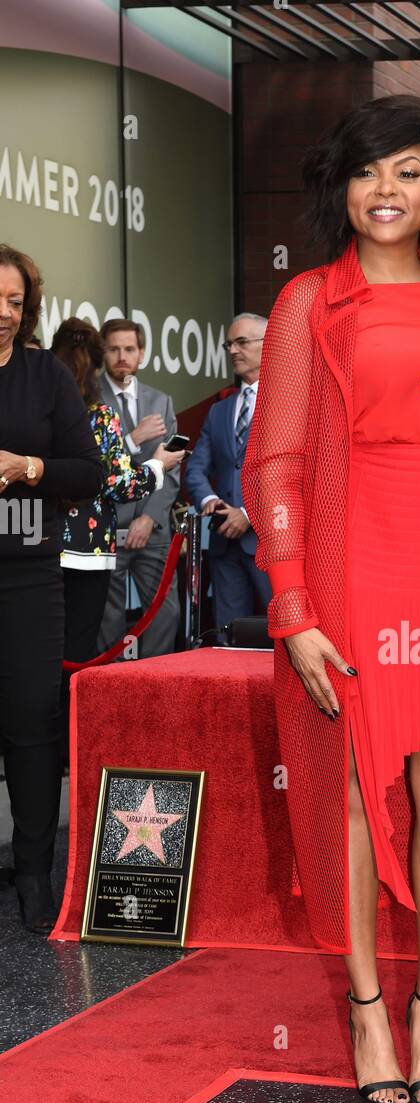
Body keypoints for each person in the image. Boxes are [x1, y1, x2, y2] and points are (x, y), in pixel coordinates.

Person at [242, 95, 420, 1103]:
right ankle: (368, 1005)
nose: (386, 192)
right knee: (363, 790)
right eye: (367, 173)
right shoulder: (308, 304)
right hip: (355, 569)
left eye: (407, 171)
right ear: (343, 189)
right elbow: (275, 461)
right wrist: (293, 604)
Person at [0, 245, 102, 932]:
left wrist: (28, 466)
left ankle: (35, 874)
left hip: (28, 574)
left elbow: (87, 472)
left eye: (14, 301)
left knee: (32, 726)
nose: (4, 314)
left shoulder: (44, 376)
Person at [50, 318, 185, 758]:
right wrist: (158, 461)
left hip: (45, 547)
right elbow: (114, 481)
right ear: (98, 359)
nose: (120, 358)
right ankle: (79, 742)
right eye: (111, 351)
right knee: (81, 647)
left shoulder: (43, 403)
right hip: (88, 549)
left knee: (52, 648)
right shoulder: (95, 409)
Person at [96, 318, 181, 658]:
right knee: (106, 619)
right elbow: (94, 464)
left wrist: (148, 518)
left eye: (129, 349)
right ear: (103, 352)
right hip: (105, 529)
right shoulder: (89, 396)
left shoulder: (160, 400)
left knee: (166, 611)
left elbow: (172, 467)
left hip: (152, 530)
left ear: (141, 353)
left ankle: (153, 685)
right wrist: (134, 438)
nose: (121, 356)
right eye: (114, 349)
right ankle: (110, 689)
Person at [183, 314, 272, 632]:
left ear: (268, 343)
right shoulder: (220, 410)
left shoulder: (287, 403)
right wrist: (209, 499)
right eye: (229, 344)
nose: (233, 350)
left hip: (270, 541)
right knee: (228, 638)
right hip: (224, 542)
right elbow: (196, 467)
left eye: (241, 342)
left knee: (281, 640)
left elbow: (297, 473)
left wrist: (248, 514)